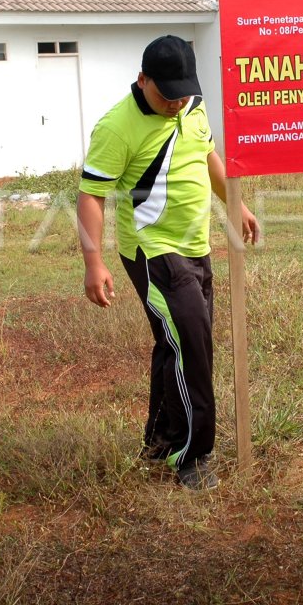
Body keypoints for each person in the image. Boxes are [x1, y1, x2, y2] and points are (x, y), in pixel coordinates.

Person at [77, 35, 260, 492]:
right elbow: (91, 195)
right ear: (143, 80)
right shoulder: (116, 127)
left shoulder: (191, 105)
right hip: (153, 252)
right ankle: (193, 455)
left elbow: (208, 155)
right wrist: (93, 261)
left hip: (196, 246)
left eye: (183, 94)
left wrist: (234, 204)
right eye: (167, 95)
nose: (177, 103)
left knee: (176, 342)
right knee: (193, 348)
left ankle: (159, 442)